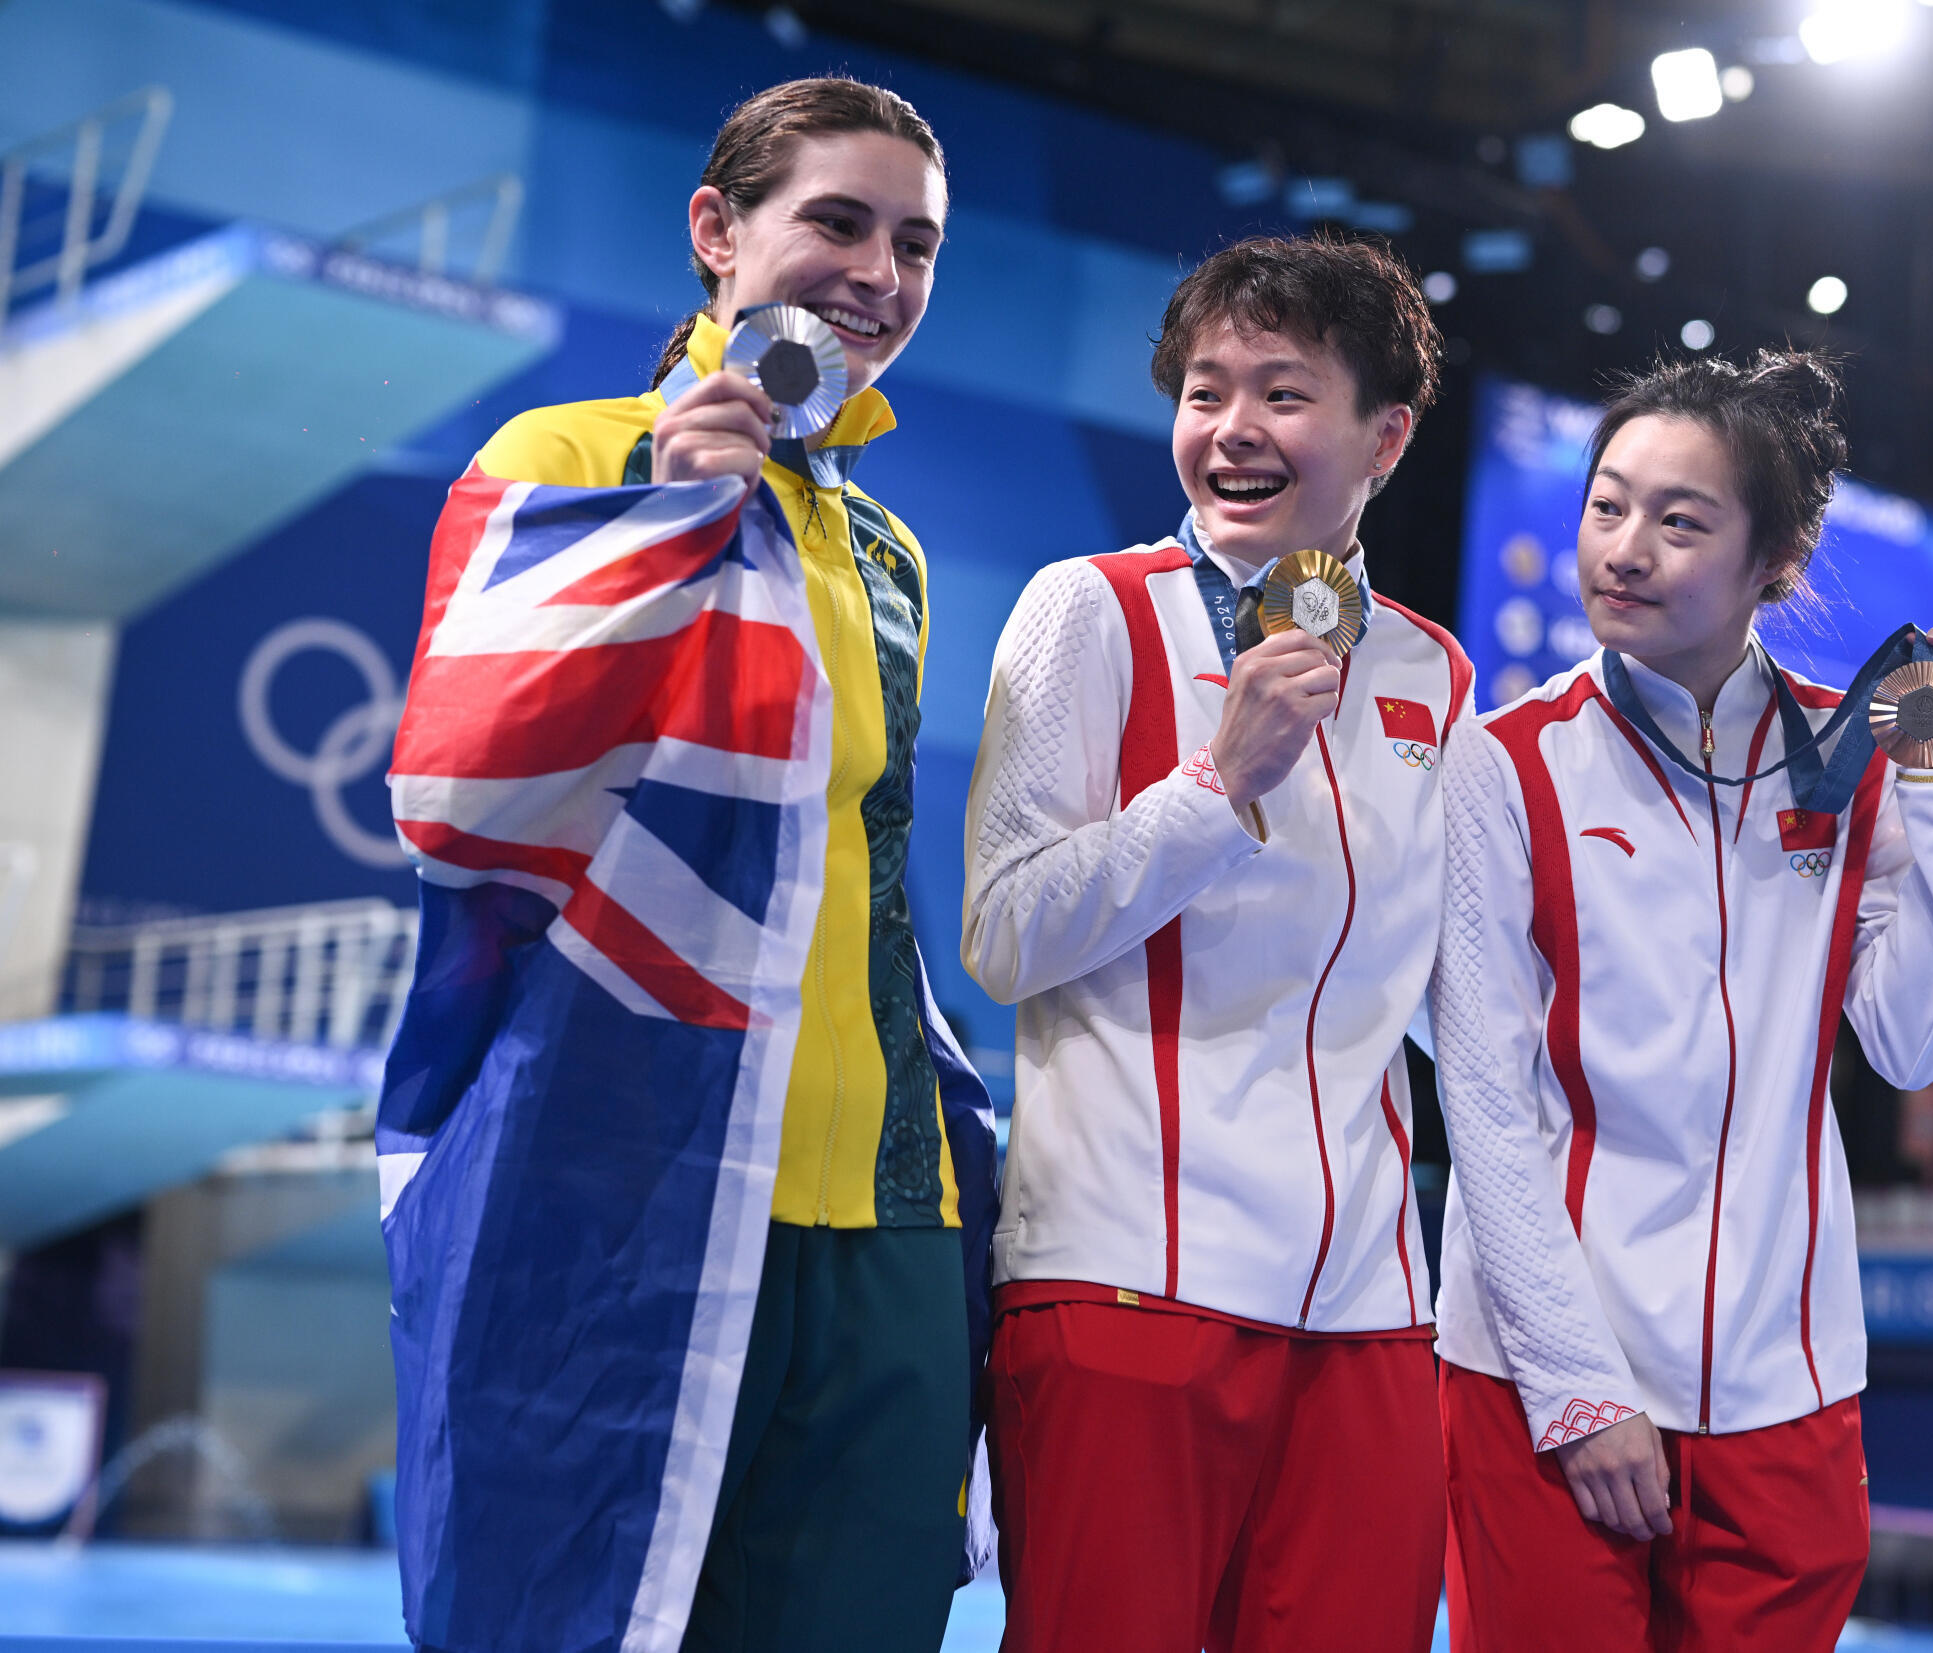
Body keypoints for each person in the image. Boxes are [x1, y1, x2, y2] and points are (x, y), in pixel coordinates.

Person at [386, 77, 989, 1653]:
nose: (879, 273)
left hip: (886, 1211)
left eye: (915, 244)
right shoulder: (572, 450)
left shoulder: (886, 546)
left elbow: (867, 872)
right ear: (719, 234)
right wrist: (663, 517)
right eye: (838, 223)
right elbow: (460, 797)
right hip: (622, 1180)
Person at [1428, 351, 1933, 1651]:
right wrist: (1580, 1393)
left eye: (1679, 519)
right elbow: (1483, 1098)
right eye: (1606, 505)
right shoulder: (1503, 762)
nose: (1624, 548)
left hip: (1786, 1385)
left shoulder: (1849, 751)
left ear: (1777, 562)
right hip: (1545, 1377)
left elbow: (1912, 1043)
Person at [961, 234, 1472, 1653]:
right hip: (1128, 1284)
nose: (1232, 429)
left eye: (1282, 392)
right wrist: (1216, 783)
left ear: (1387, 433)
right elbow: (1005, 929)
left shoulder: (1436, 670)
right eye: (1205, 390)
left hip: (1368, 1308)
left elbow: (1454, 1000)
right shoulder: (1091, 610)